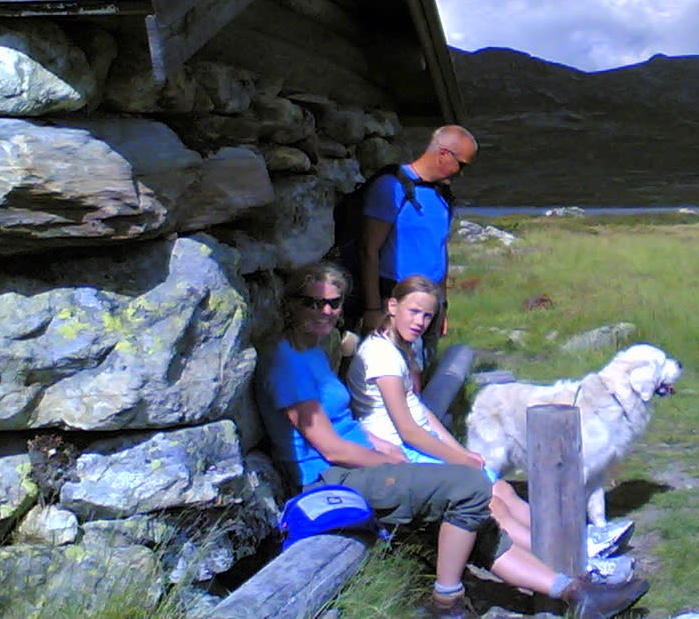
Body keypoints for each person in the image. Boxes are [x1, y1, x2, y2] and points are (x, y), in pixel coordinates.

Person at [256, 262, 648, 619]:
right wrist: (394, 462)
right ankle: (446, 600)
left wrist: (380, 443)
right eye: (314, 303)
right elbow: (330, 447)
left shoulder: (311, 352)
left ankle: (575, 592)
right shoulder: (285, 362)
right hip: (330, 478)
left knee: (477, 519)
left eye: (334, 304)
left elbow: (348, 423)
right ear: (291, 304)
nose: (326, 312)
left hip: (360, 463)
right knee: (468, 486)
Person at [346, 275, 534, 549]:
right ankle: (563, 557)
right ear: (392, 306)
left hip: (418, 442)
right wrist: (460, 459)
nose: (419, 322)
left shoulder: (398, 347)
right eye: (413, 312)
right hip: (400, 450)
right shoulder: (381, 356)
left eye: (427, 316)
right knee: (493, 501)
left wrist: (458, 450)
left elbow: (421, 410)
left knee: (502, 489)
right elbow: (408, 430)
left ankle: (572, 545)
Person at [358, 125, 477, 381]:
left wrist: (442, 305)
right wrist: (371, 308)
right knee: (394, 376)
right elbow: (369, 249)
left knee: (420, 373)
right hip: (395, 298)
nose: (462, 174)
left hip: (430, 301)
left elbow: (439, 249)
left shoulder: (442, 194)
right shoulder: (391, 187)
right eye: (462, 165)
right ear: (444, 154)